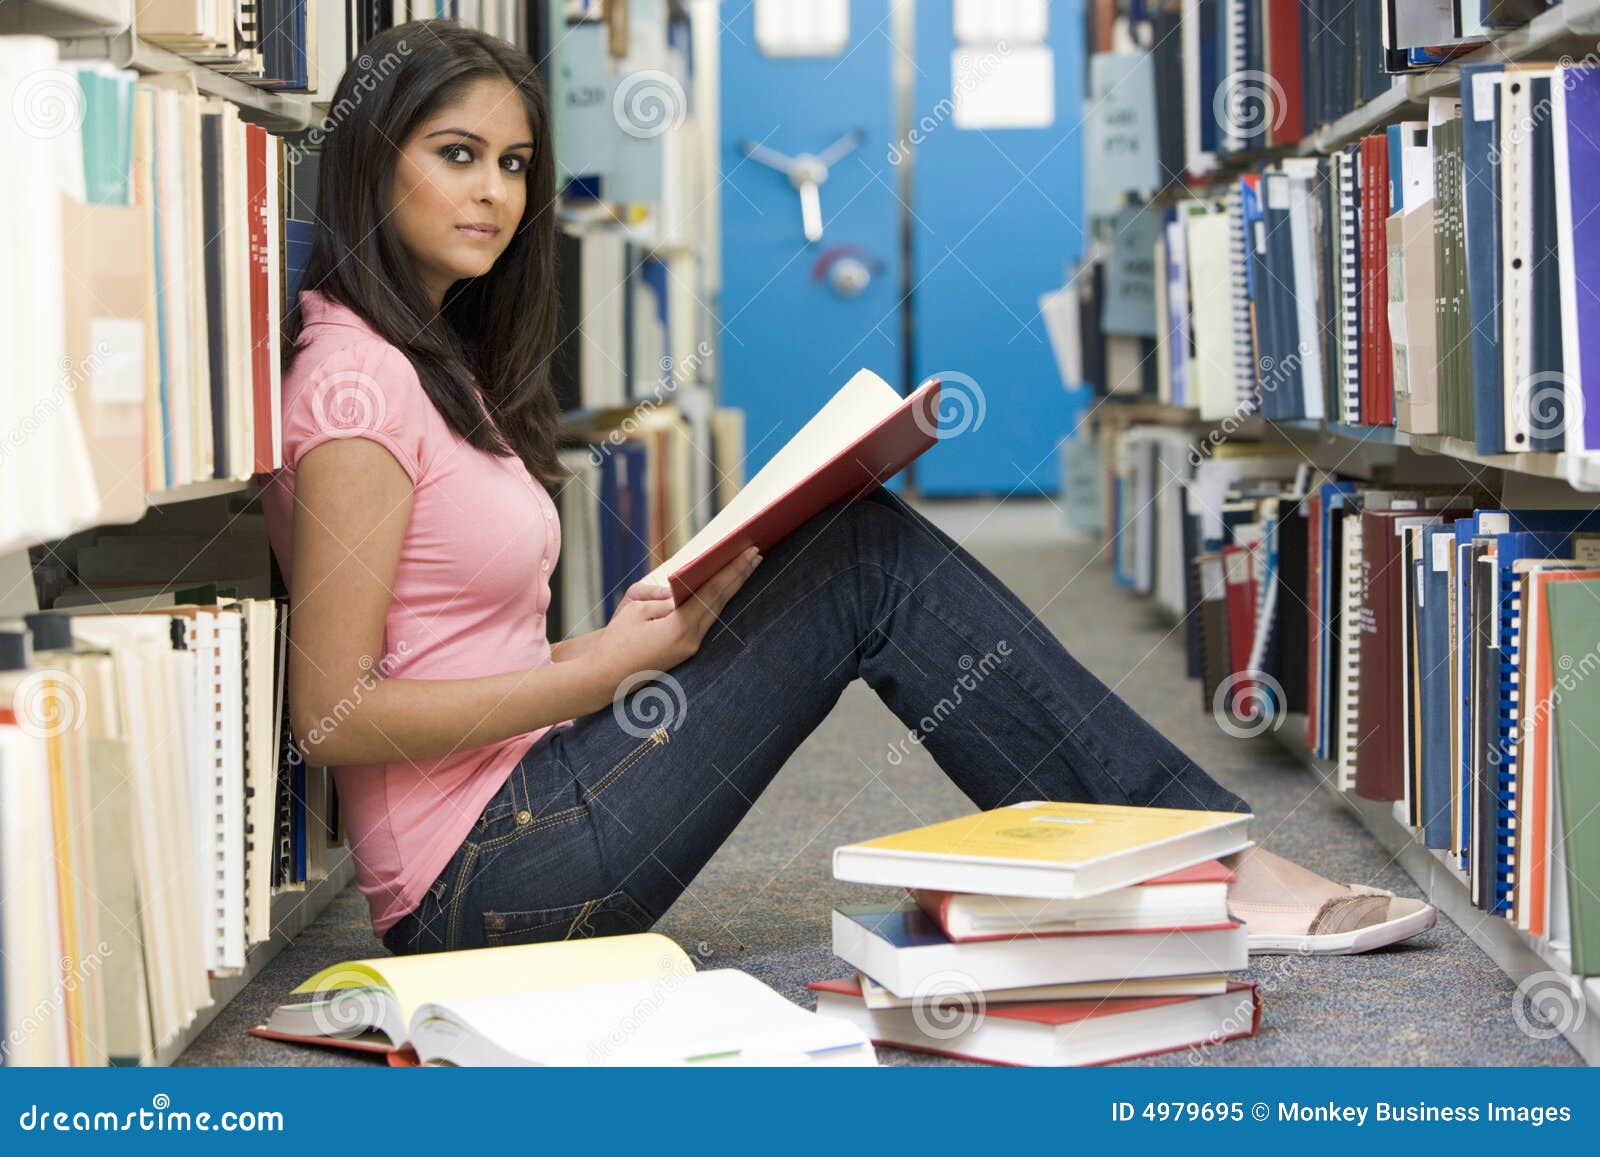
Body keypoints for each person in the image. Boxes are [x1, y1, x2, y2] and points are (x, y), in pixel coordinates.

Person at [263, 21, 1435, 960]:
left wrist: (614, 643)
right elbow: (334, 711)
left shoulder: (428, 359)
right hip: (481, 883)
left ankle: (1174, 859)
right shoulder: (356, 385)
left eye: (514, 163)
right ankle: (1203, 866)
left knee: (849, 538)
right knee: (866, 562)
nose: (496, 194)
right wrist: (597, 671)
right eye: (455, 155)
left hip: (528, 802)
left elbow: (453, 639)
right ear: (377, 160)